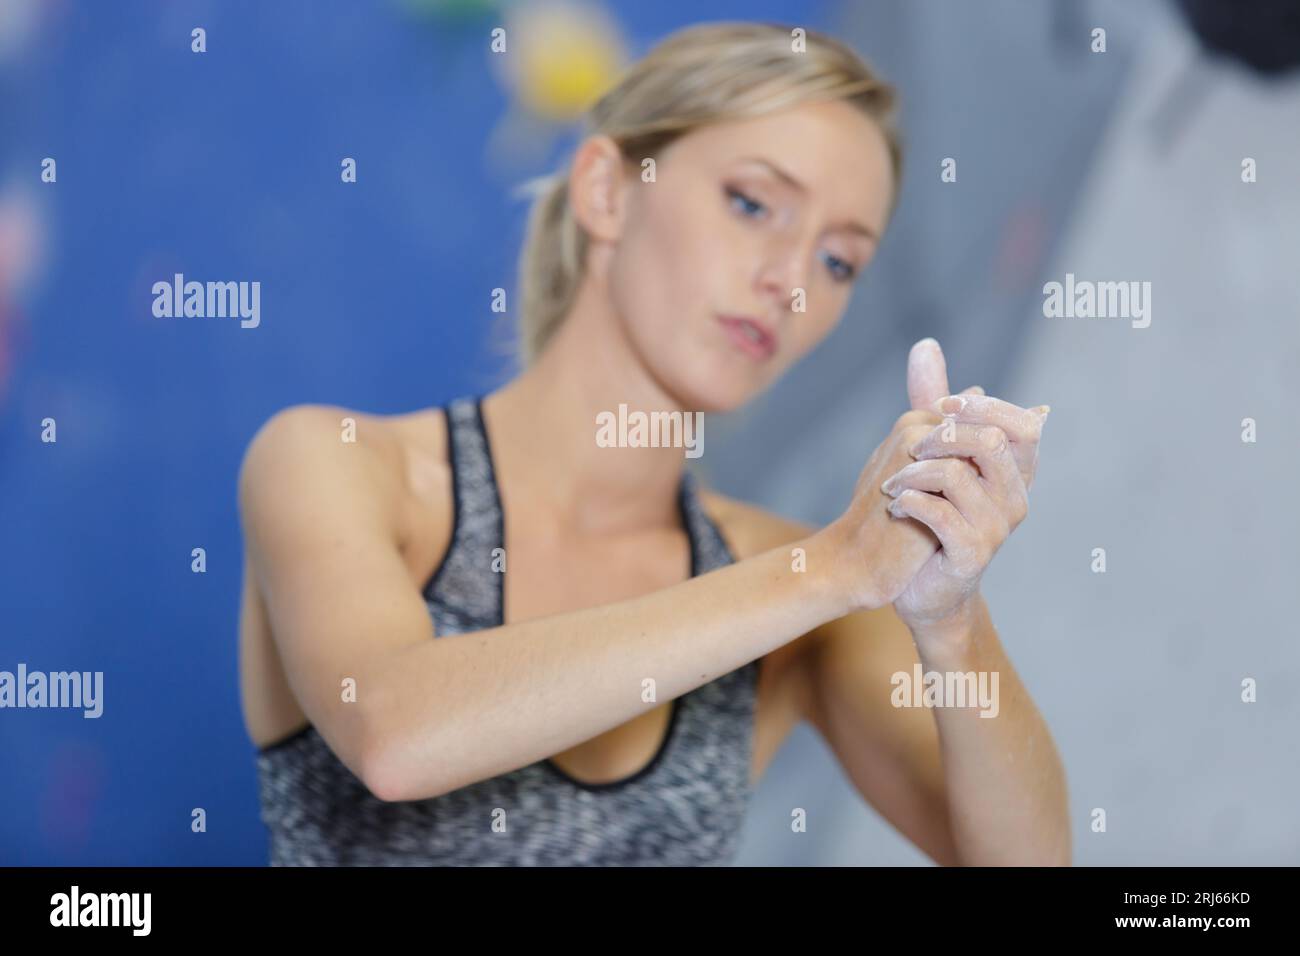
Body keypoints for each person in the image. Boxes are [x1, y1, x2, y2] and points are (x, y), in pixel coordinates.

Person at [237, 21, 1068, 865]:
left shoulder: (801, 589)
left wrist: (951, 620)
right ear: (607, 190)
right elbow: (394, 735)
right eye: (752, 203)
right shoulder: (336, 464)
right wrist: (831, 570)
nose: (791, 280)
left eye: (840, 262)